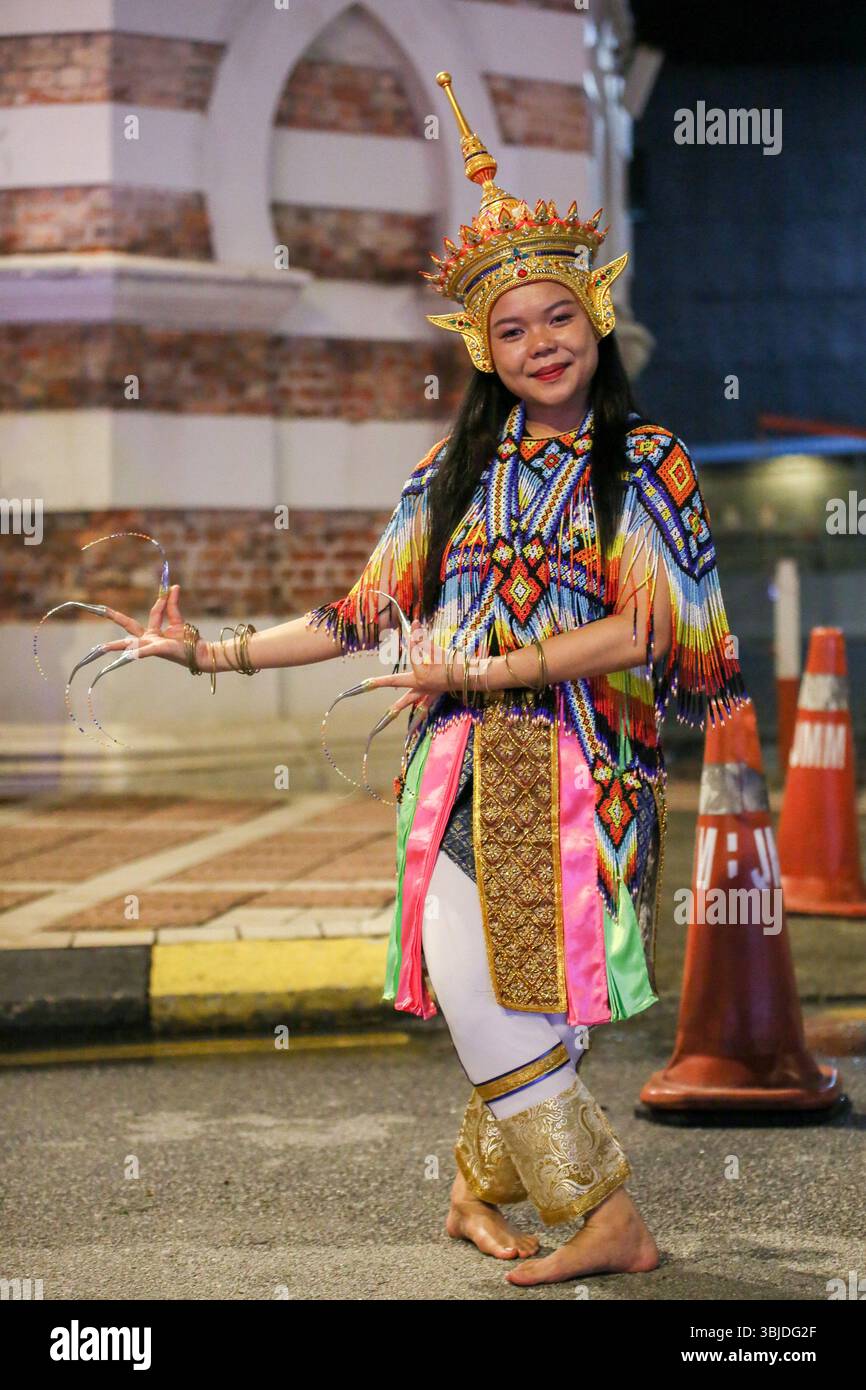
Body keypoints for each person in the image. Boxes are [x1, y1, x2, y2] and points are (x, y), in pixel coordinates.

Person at [98, 74, 748, 1288]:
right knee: (489, 994)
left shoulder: (644, 461)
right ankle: (534, 1202)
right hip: (464, 769)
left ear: (595, 318)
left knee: (520, 1010)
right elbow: (356, 616)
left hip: (583, 775)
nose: (539, 342)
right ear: (480, 348)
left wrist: (485, 662)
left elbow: (637, 634)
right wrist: (208, 651)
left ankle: (548, 1203)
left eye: (558, 317)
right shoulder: (447, 472)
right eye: (511, 329)